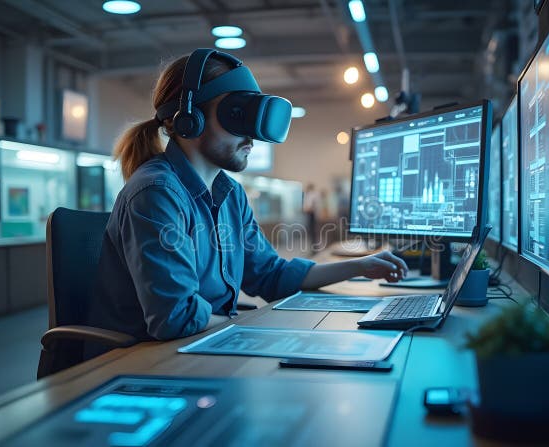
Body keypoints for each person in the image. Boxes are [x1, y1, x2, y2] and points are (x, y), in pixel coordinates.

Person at [90, 49, 408, 343]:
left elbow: (270, 276)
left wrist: (361, 266)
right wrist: (250, 324)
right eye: (237, 115)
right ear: (189, 118)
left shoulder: (230, 195)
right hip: (143, 365)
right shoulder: (157, 194)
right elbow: (176, 319)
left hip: (199, 348)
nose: (252, 135)